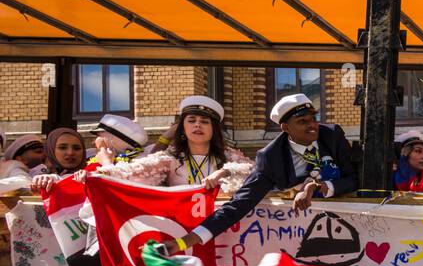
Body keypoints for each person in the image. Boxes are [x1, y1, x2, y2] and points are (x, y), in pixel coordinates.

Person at [159, 92, 356, 255]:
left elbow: (354, 177)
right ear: (285, 128)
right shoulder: (271, 158)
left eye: (314, 119)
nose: (312, 125)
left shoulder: (332, 136)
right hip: (300, 239)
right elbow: (237, 206)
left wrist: (319, 186)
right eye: (302, 121)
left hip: (349, 231)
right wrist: (184, 242)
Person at [81, 97, 252, 193]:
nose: (197, 125)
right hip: (182, 226)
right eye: (191, 121)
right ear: (182, 128)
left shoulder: (228, 155)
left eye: (204, 122)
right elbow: (131, 174)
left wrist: (225, 171)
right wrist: (102, 170)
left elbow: (255, 170)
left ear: (213, 129)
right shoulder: (169, 158)